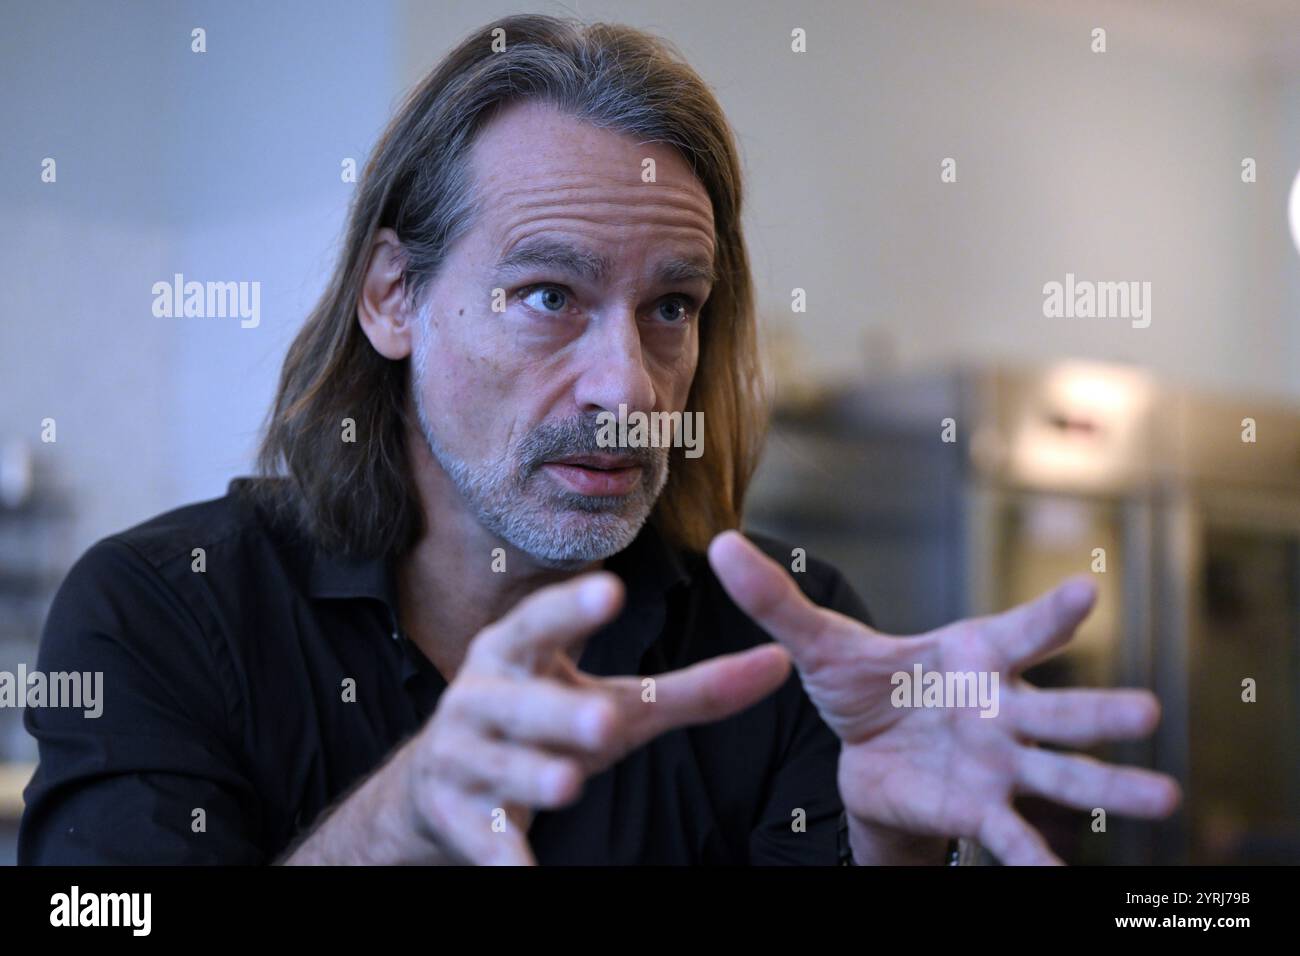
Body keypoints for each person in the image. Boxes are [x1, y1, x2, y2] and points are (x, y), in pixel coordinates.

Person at [19, 14, 1179, 866]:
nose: (627, 384)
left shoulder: (783, 633)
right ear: (391, 297)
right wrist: (408, 813)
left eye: (670, 306)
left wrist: (886, 844)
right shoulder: (164, 606)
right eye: (546, 295)